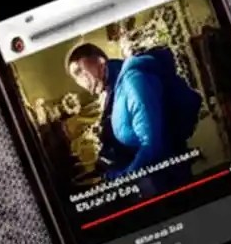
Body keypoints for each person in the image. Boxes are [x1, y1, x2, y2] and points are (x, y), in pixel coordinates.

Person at [66, 42, 202, 187]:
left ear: (100, 61)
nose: (81, 80)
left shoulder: (132, 81)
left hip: (168, 181)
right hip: (155, 179)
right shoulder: (114, 91)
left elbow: (152, 147)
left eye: (79, 71)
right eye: (76, 78)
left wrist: (120, 177)